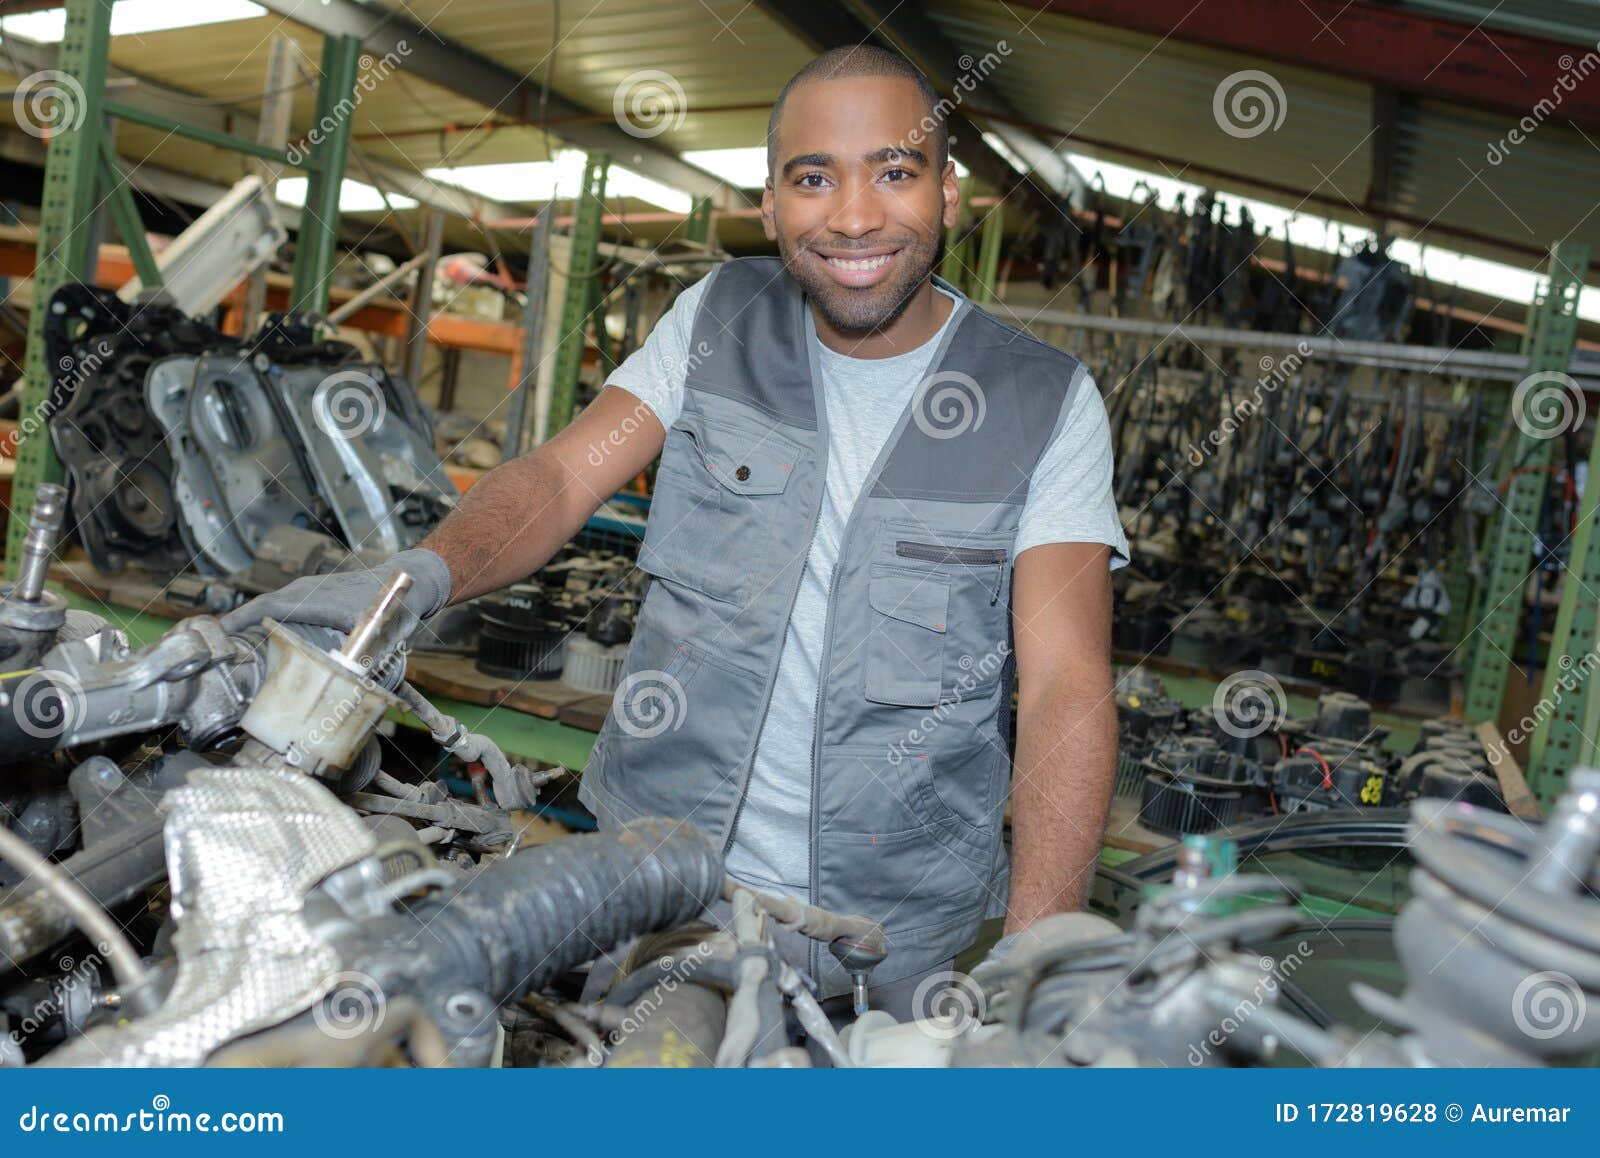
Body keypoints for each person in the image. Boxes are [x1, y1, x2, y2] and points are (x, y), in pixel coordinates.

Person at [225, 44, 1128, 1032]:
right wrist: (420, 574)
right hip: (665, 884)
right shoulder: (720, 318)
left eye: (895, 173)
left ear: (950, 195)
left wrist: (1036, 961)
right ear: (772, 200)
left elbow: (1063, 686)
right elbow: (565, 477)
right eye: (813, 178)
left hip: (898, 934)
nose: (856, 216)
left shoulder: (1042, 401)